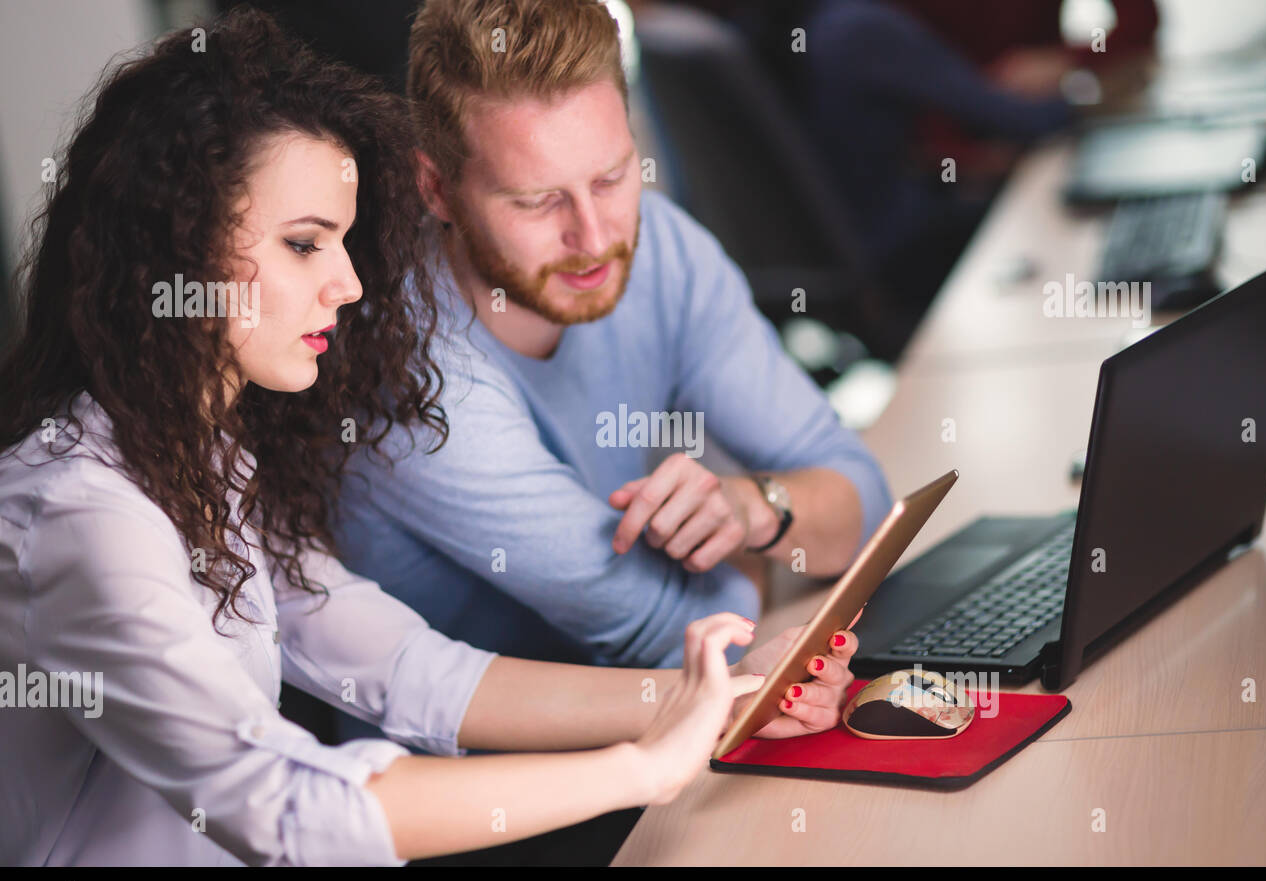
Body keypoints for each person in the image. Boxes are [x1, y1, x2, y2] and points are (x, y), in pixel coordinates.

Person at [0, 8, 860, 866]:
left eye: (341, 242)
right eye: (304, 246)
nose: (345, 284)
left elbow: (412, 671)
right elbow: (282, 808)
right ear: (173, 256)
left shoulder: (206, 463)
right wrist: (649, 765)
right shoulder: (82, 518)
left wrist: (721, 696)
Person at [332, 0, 895, 670]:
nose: (595, 239)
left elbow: (867, 502)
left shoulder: (663, 250)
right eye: (537, 201)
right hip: (519, 769)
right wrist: (761, 548)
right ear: (437, 189)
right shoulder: (406, 375)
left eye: (611, 178)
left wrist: (752, 505)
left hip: (672, 734)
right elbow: (678, 634)